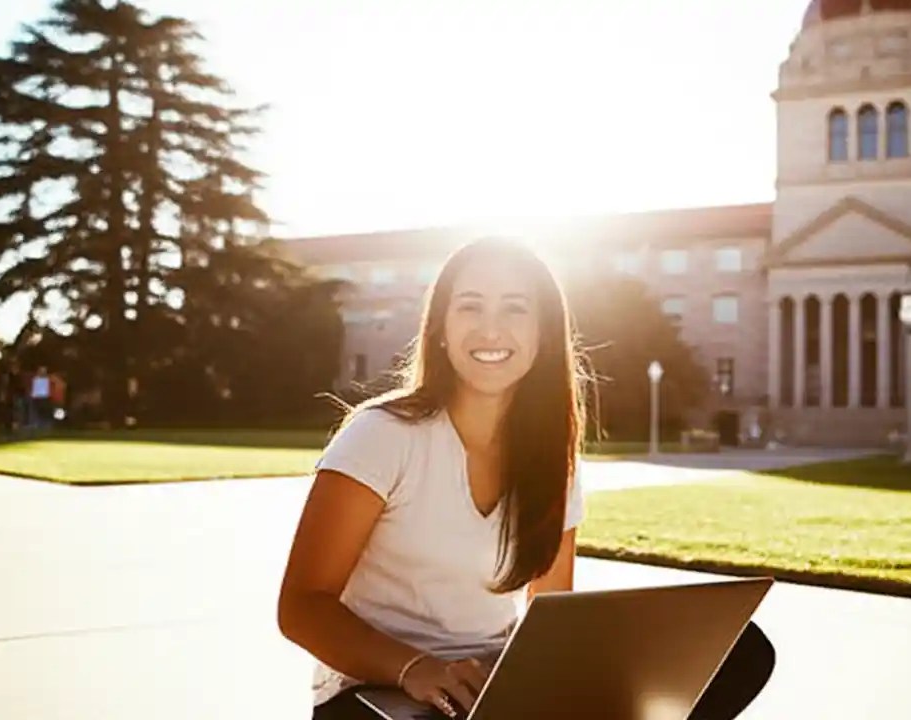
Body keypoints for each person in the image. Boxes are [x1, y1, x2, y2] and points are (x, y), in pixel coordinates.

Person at [276, 238, 773, 720]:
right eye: (470, 307)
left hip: (493, 689)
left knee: (741, 652)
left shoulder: (552, 456)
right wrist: (415, 668)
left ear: (543, 333)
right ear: (441, 328)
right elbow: (301, 607)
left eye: (515, 309)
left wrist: (559, 682)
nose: (491, 330)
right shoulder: (381, 434)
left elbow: (551, 612)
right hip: (379, 693)